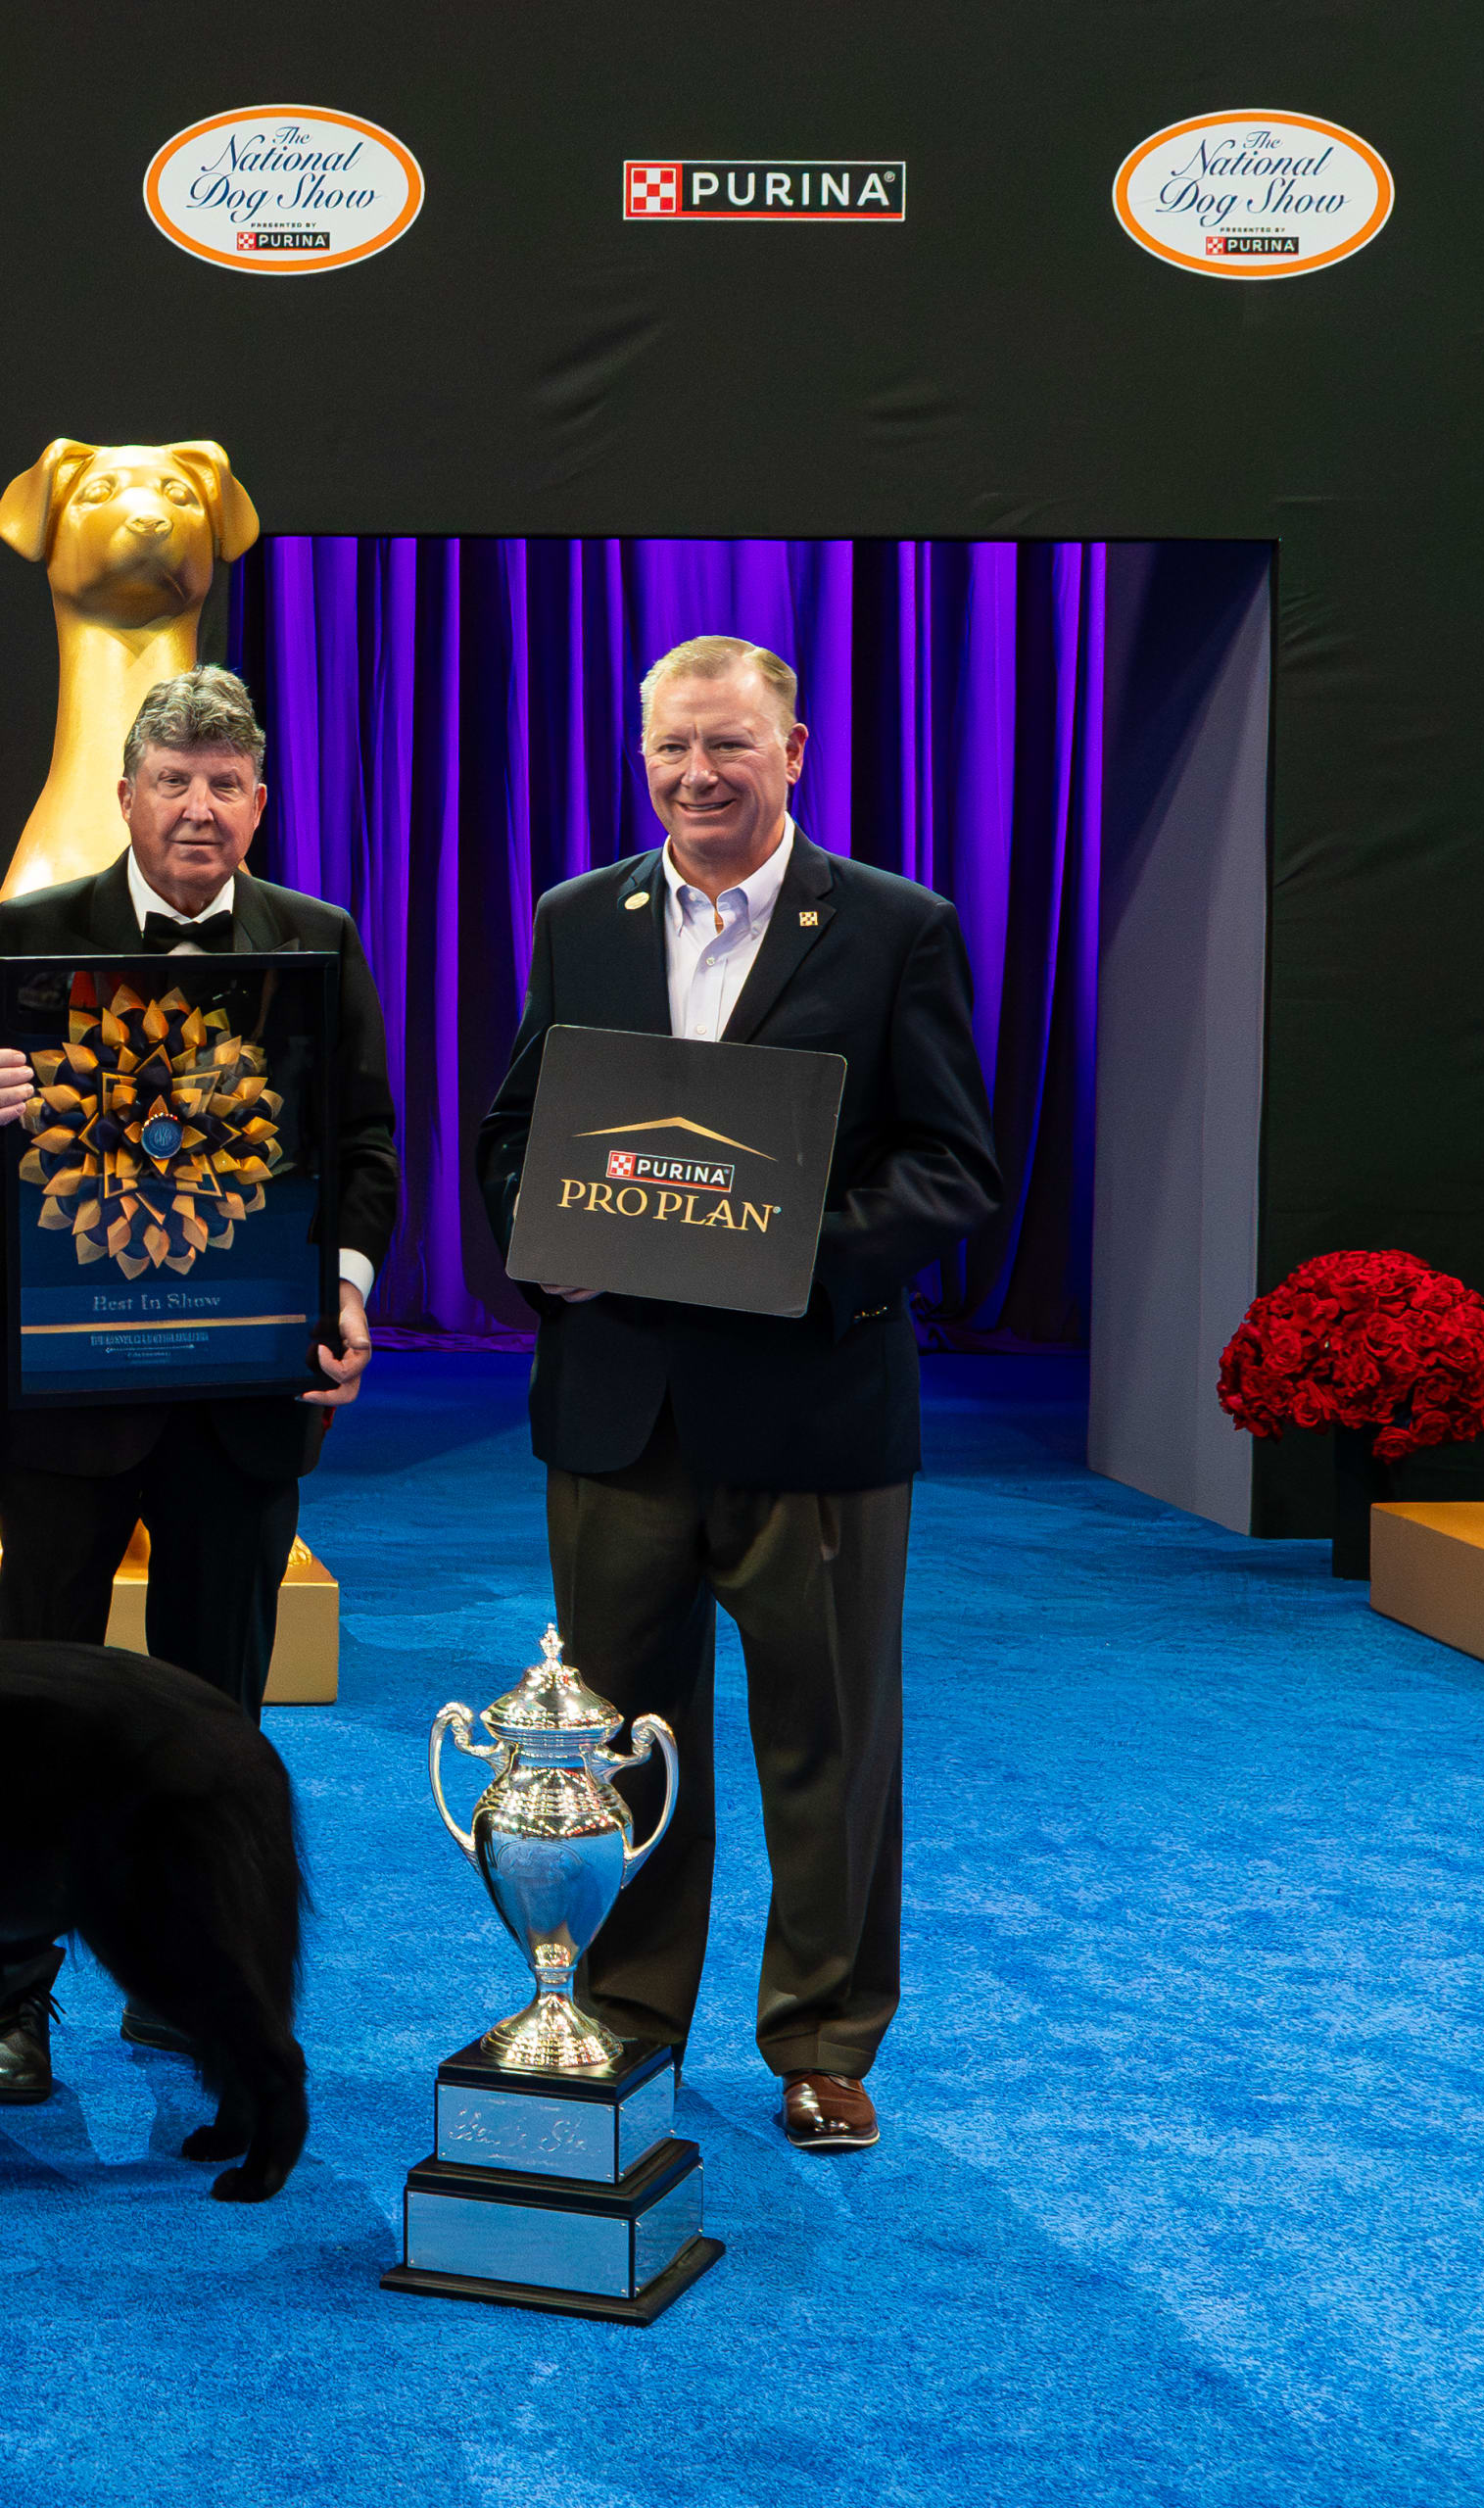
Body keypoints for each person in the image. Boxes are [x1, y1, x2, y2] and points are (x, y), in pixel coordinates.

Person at [474, 634, 1000, 2153]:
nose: (697, 776)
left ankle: (826, 2043)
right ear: (642, 760)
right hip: (616, 1409)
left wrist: (789, 1259)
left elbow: (954, 1166)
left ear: (795, 751)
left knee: (828, 1746)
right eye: (670, 752)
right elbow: (516, 1132)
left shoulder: (896, 929)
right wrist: (534, 1244)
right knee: (622, 1741)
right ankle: (625, 2015)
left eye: (728, 748)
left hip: (814, 1415)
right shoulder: (582, 919)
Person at [0, 665, 394, 2100]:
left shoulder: (316, 941)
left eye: (226, 783)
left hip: (244, 1399)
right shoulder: (33, 932)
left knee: (215, 1721)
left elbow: (365, 1152)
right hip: (73, 1401)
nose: (198, 806)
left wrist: (350, 1292)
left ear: (260, 804)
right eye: (173, 780)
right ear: (125, 795)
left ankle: (196, 1985)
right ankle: (14, 1998)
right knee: (34, 1712)